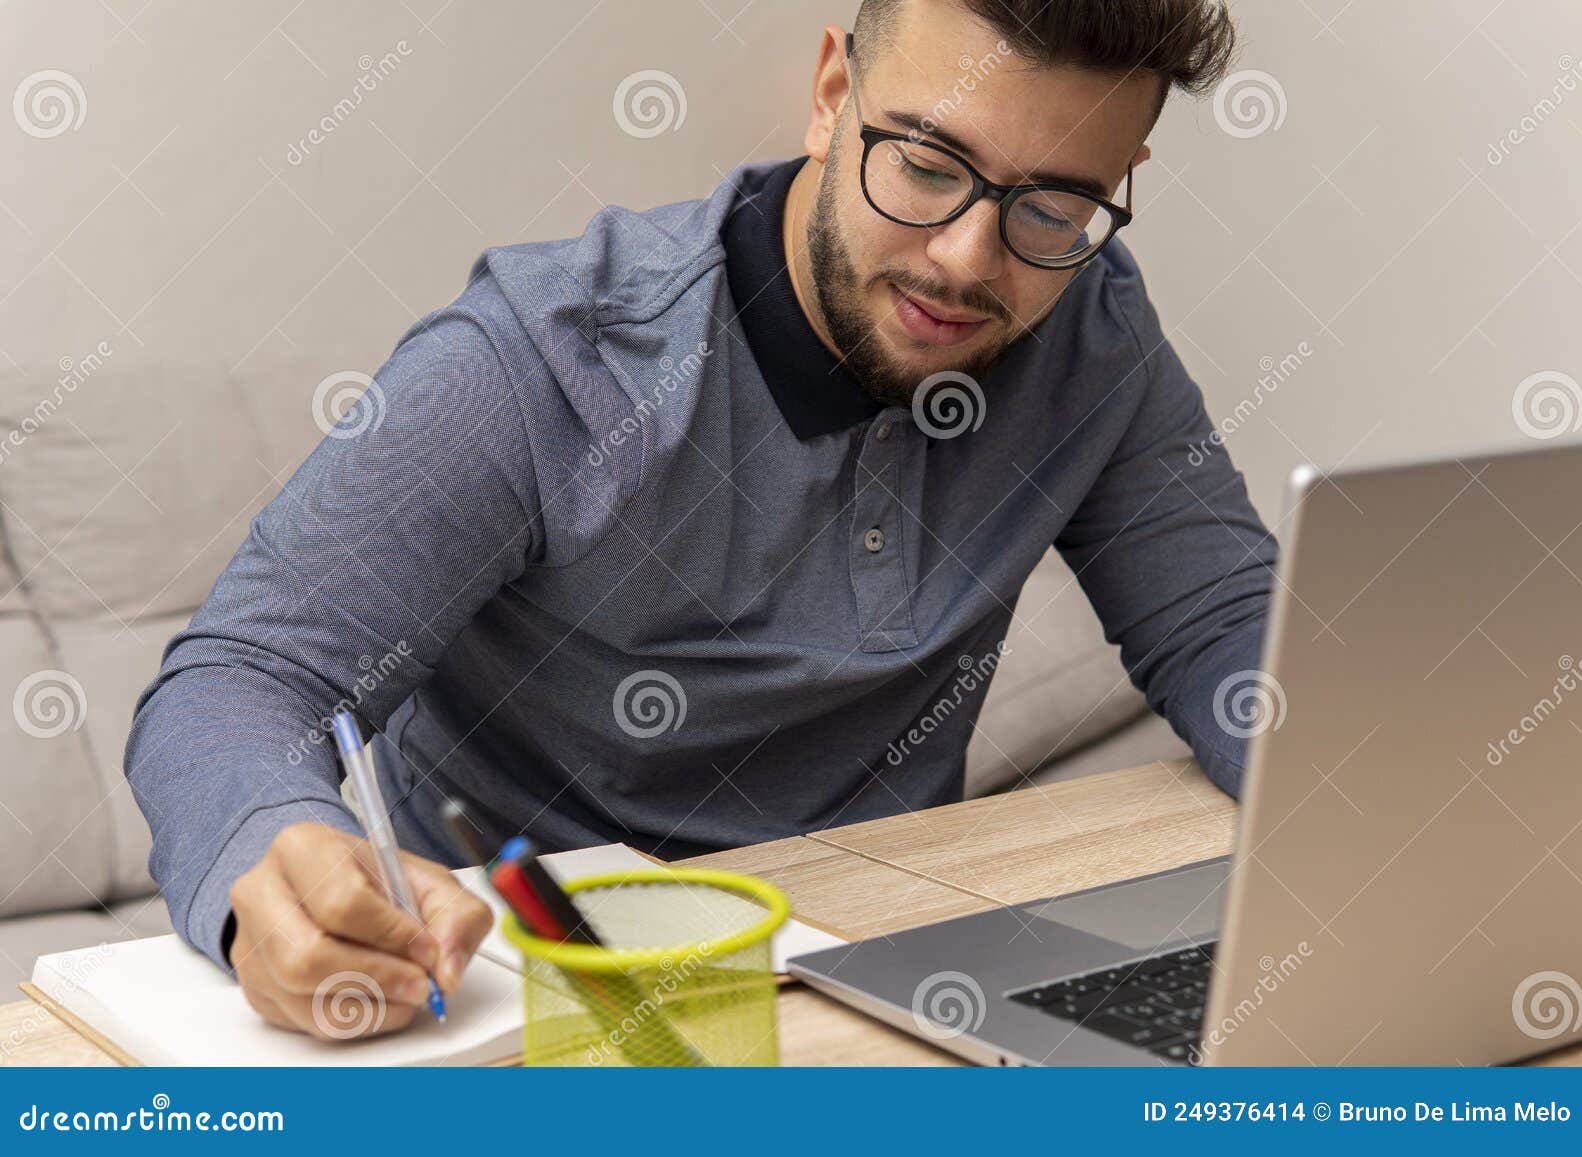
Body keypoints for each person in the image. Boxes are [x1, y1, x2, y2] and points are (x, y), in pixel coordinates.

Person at [126, 0, 1273, 1040]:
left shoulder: (1091, 330)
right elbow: (243, 675)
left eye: (1054, 206)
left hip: (898, 990)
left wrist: (1361, 774)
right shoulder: (542, 358)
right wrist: (271, 861)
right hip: (532, 1002)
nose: (965, 261)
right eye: (927, 165)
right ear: (833, 96)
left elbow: (1221, 621)